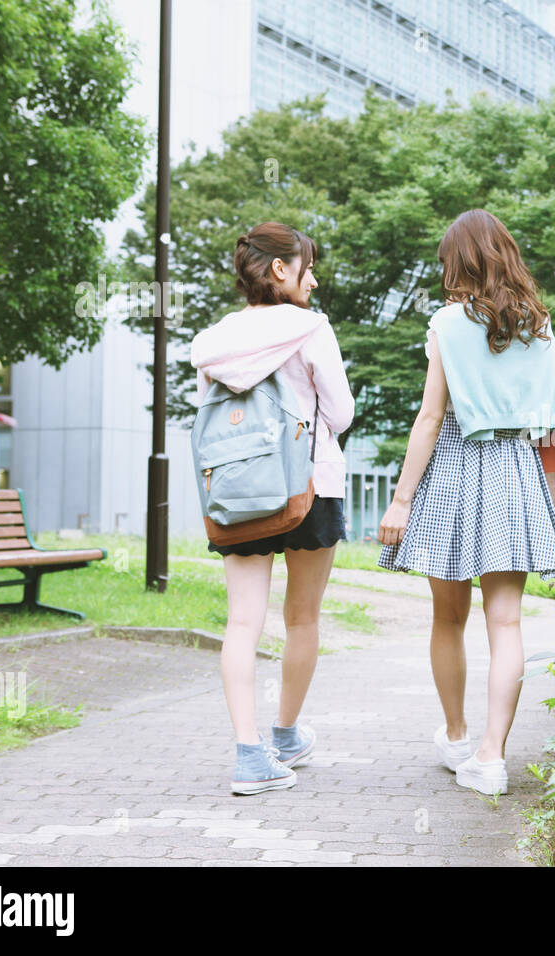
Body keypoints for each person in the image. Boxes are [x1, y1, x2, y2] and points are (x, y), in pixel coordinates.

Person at [377, 208, 555, 796]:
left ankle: (458, 736)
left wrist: (400, 500)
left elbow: (431, 416)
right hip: (516, 471)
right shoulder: (540, 325)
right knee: (507, 620)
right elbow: (553, 412)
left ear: (459, 260)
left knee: (448, 616)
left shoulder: (446, 323)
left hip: (456, 469)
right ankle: (492, 757)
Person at [191, 222, 355, 795]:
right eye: (306, 266)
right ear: (280, 270)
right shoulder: (311, 328)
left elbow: (207, 412)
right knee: (302, 618)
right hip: (307, 485)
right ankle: (284, 734)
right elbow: (340, 411)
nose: (313, 278)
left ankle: (247, 753)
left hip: (236, 490)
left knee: (242, 621)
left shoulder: (213, 341)